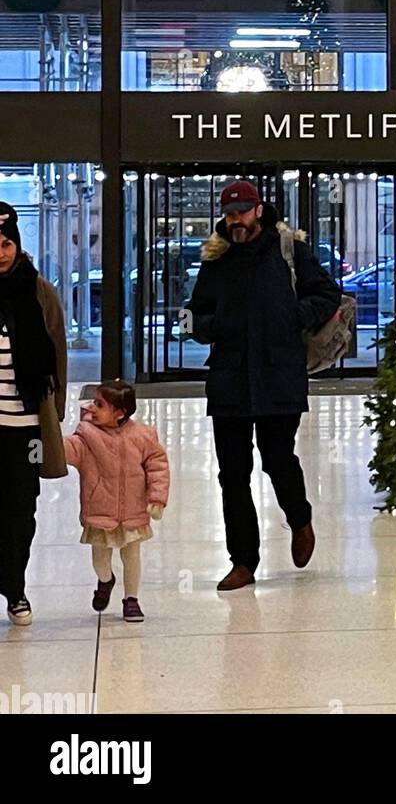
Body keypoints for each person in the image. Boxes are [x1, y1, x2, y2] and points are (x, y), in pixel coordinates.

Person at [187, 180, 341, 591]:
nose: (235, 220)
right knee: (232, 475)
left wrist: (294, 315)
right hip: (229, 379)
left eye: (242, 211)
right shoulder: (216, 259)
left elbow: (328, 293)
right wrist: (209, 327)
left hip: (278, 375)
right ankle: (243, 561)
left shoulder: (289, 250)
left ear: (258, 210)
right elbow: (195, 313)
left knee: (278, 459)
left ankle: (300, 519)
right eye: (229, 213)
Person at [0, 201, 68, 627]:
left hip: (26, 425)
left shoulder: (40, 291)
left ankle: (15, 587)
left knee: (22, 508)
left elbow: (57, 354)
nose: (0, 253)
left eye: (5, 244)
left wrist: (54, 416)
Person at [63, 380, 170, 623]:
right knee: (100, 559)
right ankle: (105, 580)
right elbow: (67, 449)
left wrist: (157, 498)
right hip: (100, 511)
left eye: (99, 404)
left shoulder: (143, 436)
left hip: (134, 511)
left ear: (119, 413)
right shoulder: (86, 437)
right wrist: (38, 443)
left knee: (131, 556)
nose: (92, 407)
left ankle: (131, 599)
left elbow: (158, 467)